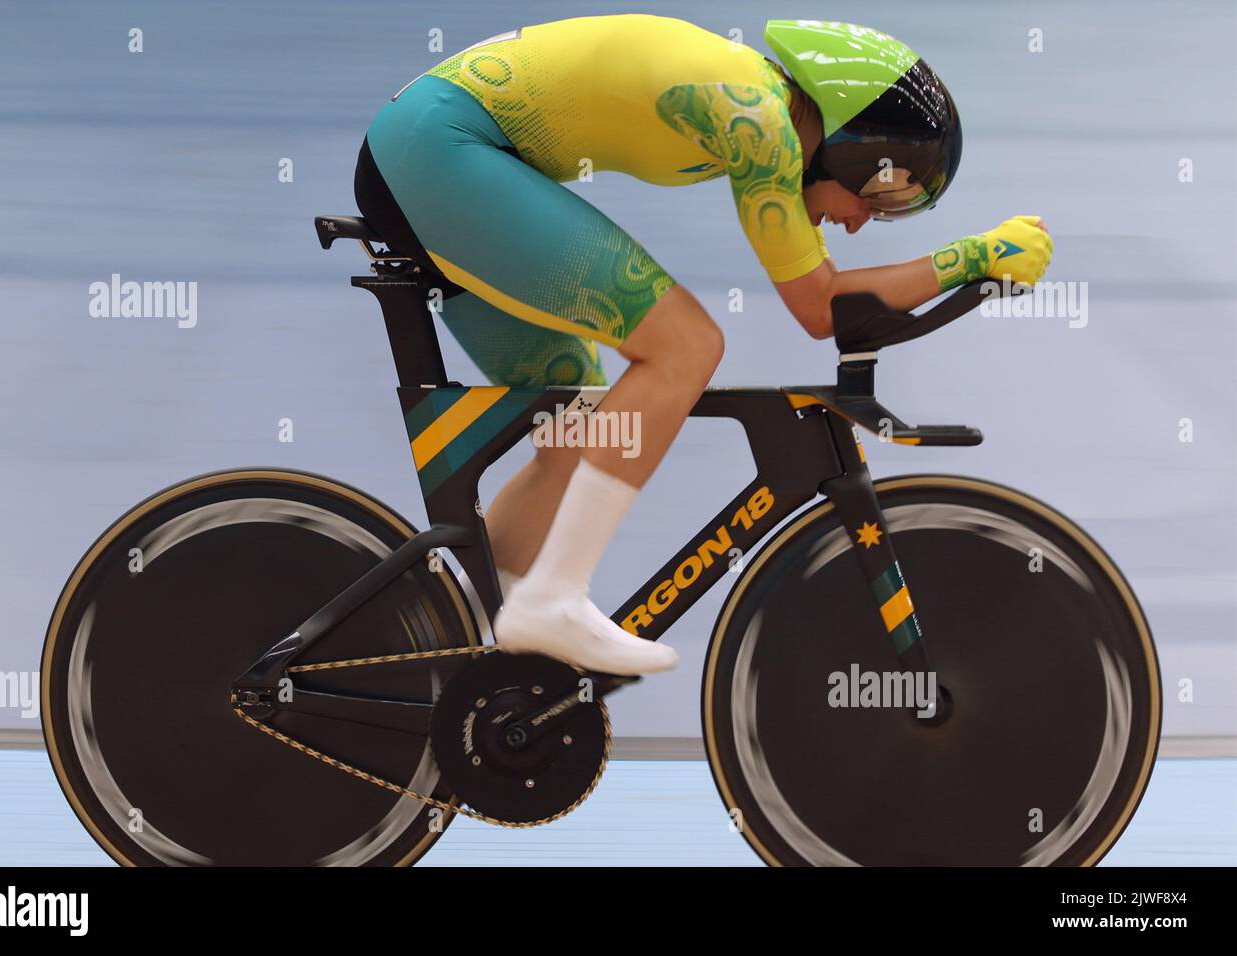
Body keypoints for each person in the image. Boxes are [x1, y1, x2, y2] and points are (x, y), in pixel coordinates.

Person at [355, 16, 1053, 676]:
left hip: (432, 146)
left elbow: (839, 303)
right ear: (856, 142)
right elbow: (820, 307)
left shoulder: (765, 114)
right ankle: (553, 598)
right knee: (685, 346)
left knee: (581, 420)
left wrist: (965, 266)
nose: (863, 220)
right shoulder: (758, 122)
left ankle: (449, 645)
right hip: (439, 149)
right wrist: (971, 256)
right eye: (881, 194)